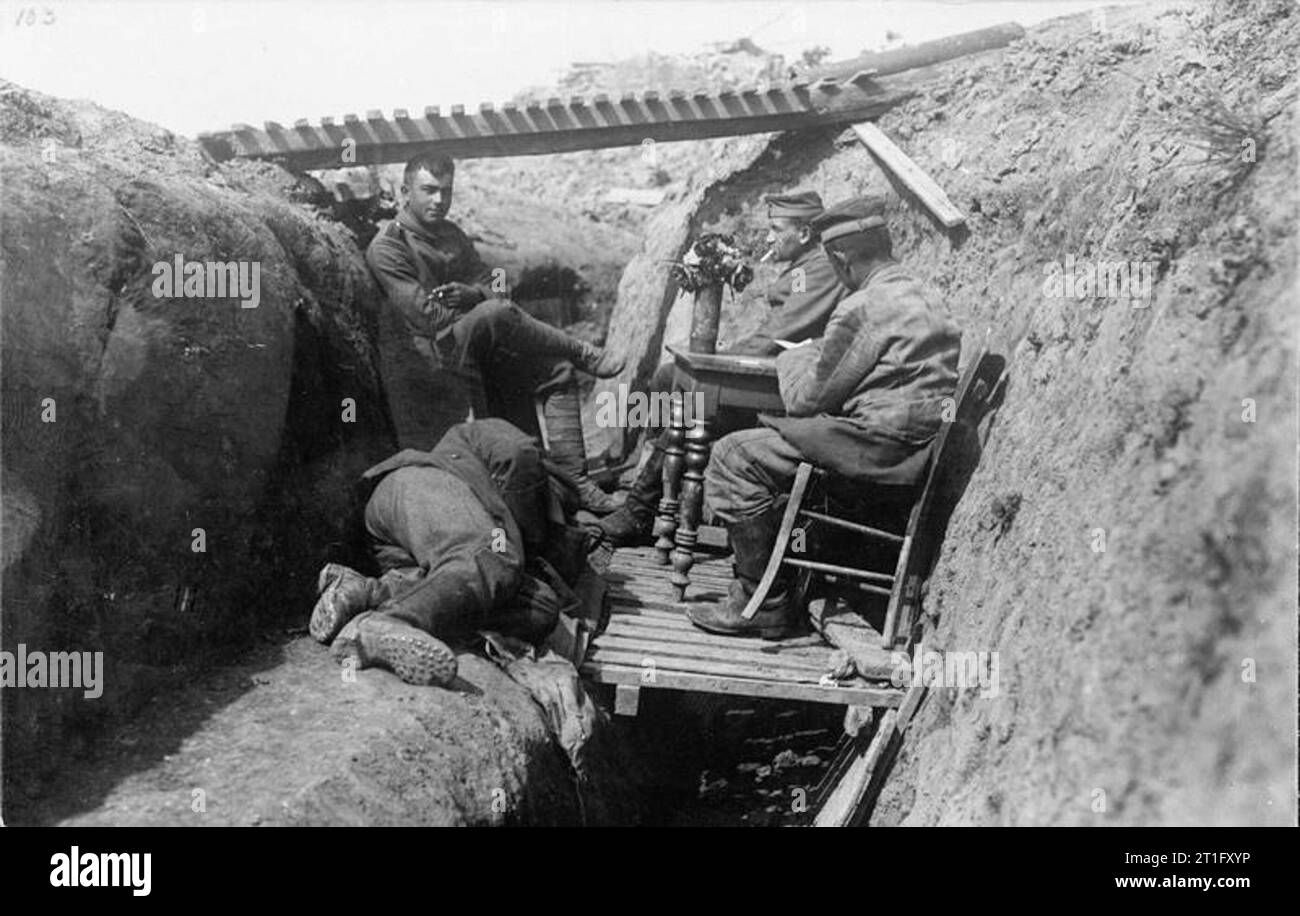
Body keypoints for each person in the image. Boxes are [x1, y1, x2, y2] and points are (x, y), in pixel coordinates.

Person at [686, 195, 962, 638]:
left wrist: (794, 357)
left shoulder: (863, 305)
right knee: (768, 446)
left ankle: (761, 603)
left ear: (840, 258)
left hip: (877, 449)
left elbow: (804, 401)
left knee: (732, 456)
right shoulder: (926, 294)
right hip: (914, 449)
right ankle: (783, 582)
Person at [366, 152, 623, 514]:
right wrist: (481, 304)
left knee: (557, 368)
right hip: (431, 358)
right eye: (428, 190)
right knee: (497, 312)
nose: (439, 200)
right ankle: (582, 350)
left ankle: (575, 482)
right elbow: (430, 318)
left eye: (446, 191)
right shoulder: (388, 247)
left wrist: (474, 293)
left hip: (473, 344)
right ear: (406, 192)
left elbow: (495, 282)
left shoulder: (452, 235)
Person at [597, 190, 850, 546]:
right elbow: (775, 334)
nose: (769, 238)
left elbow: (778, 335)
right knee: (667, 377)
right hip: (776, 377)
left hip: (791, 391)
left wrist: (721, 361)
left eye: (777, 230)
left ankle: (641, 506)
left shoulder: (819, 270)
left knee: (693, 411)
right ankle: (645, 470)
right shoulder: (804, 268)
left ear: (805, 233)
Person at [308, 418, 592, 687]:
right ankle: (382, 626)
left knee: (540, 606)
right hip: (416, 488)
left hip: (412, 551)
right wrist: (531, 535)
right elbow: (517, 455)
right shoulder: (493, 445)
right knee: (494, 553)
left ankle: (363, 593)